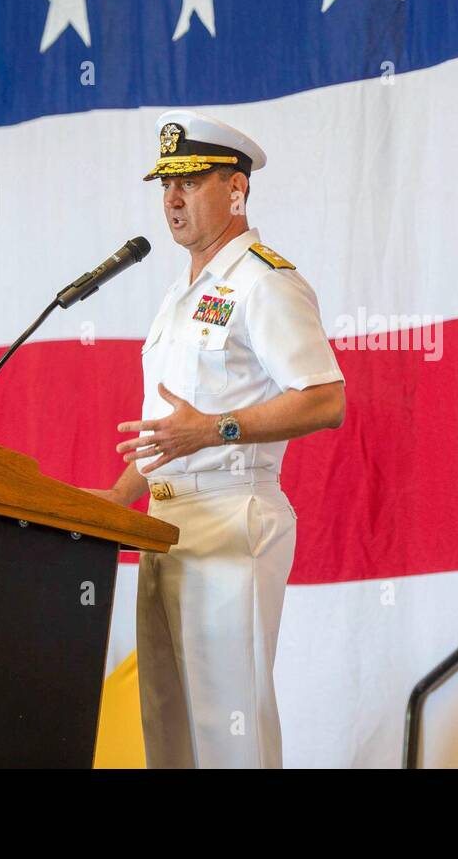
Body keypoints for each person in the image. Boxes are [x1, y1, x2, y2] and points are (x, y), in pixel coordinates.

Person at [85, 110, 346, 768]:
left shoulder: (265, 281)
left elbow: (326, 397)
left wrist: (216, 428)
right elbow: (167, 427)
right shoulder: (180, 295)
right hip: (164, 521)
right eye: (165, 184)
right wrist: (114, 499)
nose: (172, 198)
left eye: (190, 181)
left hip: (233, 516)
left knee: (230, 730)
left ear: (237, 189)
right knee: (167, 725)